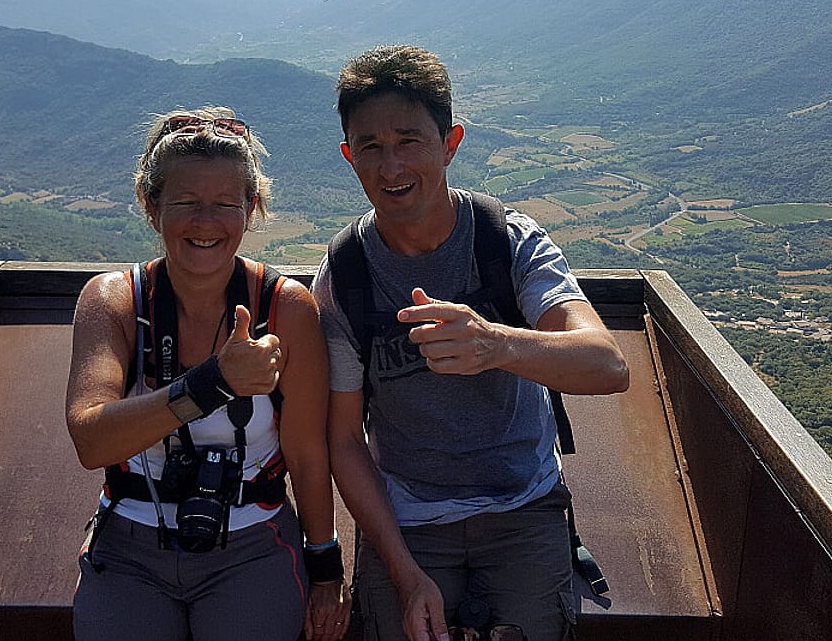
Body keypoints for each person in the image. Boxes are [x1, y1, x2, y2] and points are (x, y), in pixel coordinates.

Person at [311, 47, 630, 641]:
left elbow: (607, 365)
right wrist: (405, 575)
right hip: (406, 517)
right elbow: (345, 440)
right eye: (370, 146)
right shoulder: (345, 276)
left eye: (409, 141)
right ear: (349, 155)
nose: (390, 166)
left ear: (450, 143)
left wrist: (496, 344)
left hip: (523, 504)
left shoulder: (505, 242)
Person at [66, 108, 351, 641]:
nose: (205, 222)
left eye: (225, 204)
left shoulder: (284, 308)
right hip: (129, 546)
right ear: (152, 207)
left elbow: (308, 453)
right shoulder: (116, 302)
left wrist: (325, 568)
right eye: (186, 203)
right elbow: (91, 439)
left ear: (251, 208)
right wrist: (215, 382)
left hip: (253, 544)